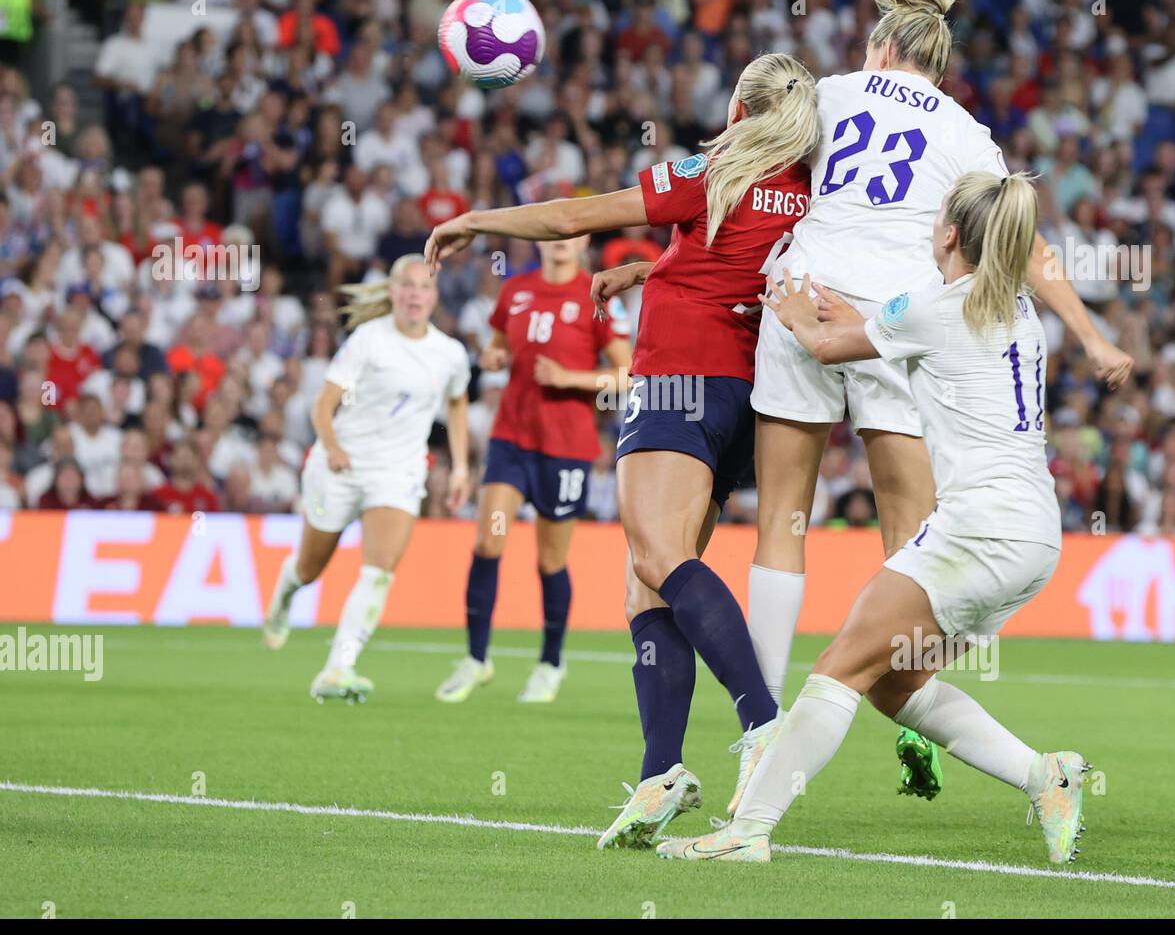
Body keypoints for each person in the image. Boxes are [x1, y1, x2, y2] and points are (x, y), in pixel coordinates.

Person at [740, 0, 1133, 794]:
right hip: (900, 317)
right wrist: (1091, 331)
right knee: (909, 539)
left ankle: (760, 725)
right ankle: (902, 699)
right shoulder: (965, 134)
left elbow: (742, 167)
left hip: (806, 298)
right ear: (936, 63)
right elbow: (1024, 247)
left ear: (878, 47)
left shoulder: (830, 92)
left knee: (782, 524)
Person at [427, 53, 819, 847]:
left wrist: (479, 220)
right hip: (745, 392)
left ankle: (764, 722)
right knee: (651, 590)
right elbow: (738, 268)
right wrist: (653, 267)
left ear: (740, 108)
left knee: (653, 555)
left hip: (676, 377)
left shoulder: (711, 169)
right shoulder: (808, 188)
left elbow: (576, 217)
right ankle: (659, 776)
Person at [659, 172, 1088, 865]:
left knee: (835, 671)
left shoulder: (938, 309)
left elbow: (830, 347)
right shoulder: (1012, 307)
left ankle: (748, 832)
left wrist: (792, 304)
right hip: (1034, 535)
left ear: (948, 233)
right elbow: (874, 326)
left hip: (977, 529)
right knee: (895, 683)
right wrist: (832, 311)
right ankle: (1047, 776)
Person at [261, 254, 471, 703]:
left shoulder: (450, 353)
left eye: (424, 287)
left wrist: (461, 465)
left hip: (397, 473)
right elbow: (323, 403)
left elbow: (456, 403)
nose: (415, 294)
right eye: (407, 286)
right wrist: (333, 447)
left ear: (435, 296)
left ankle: (339, 667)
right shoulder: (368, 340)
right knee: (310, 567)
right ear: (392, 292)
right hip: (341, 465)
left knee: (379, 571)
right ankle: (284, 591)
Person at [434, 235, 633, 705]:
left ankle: (550, 663)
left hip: (566, 446)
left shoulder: (596, 296)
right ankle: (477, 659)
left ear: (583, 239)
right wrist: (494, 357)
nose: (562, 242)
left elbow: (629, 375)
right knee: (488, 540)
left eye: (572, 234)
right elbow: (498, 347)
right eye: (554, 233)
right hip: (512, 438)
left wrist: (570, 379)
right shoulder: (516, 290)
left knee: (550, 560)